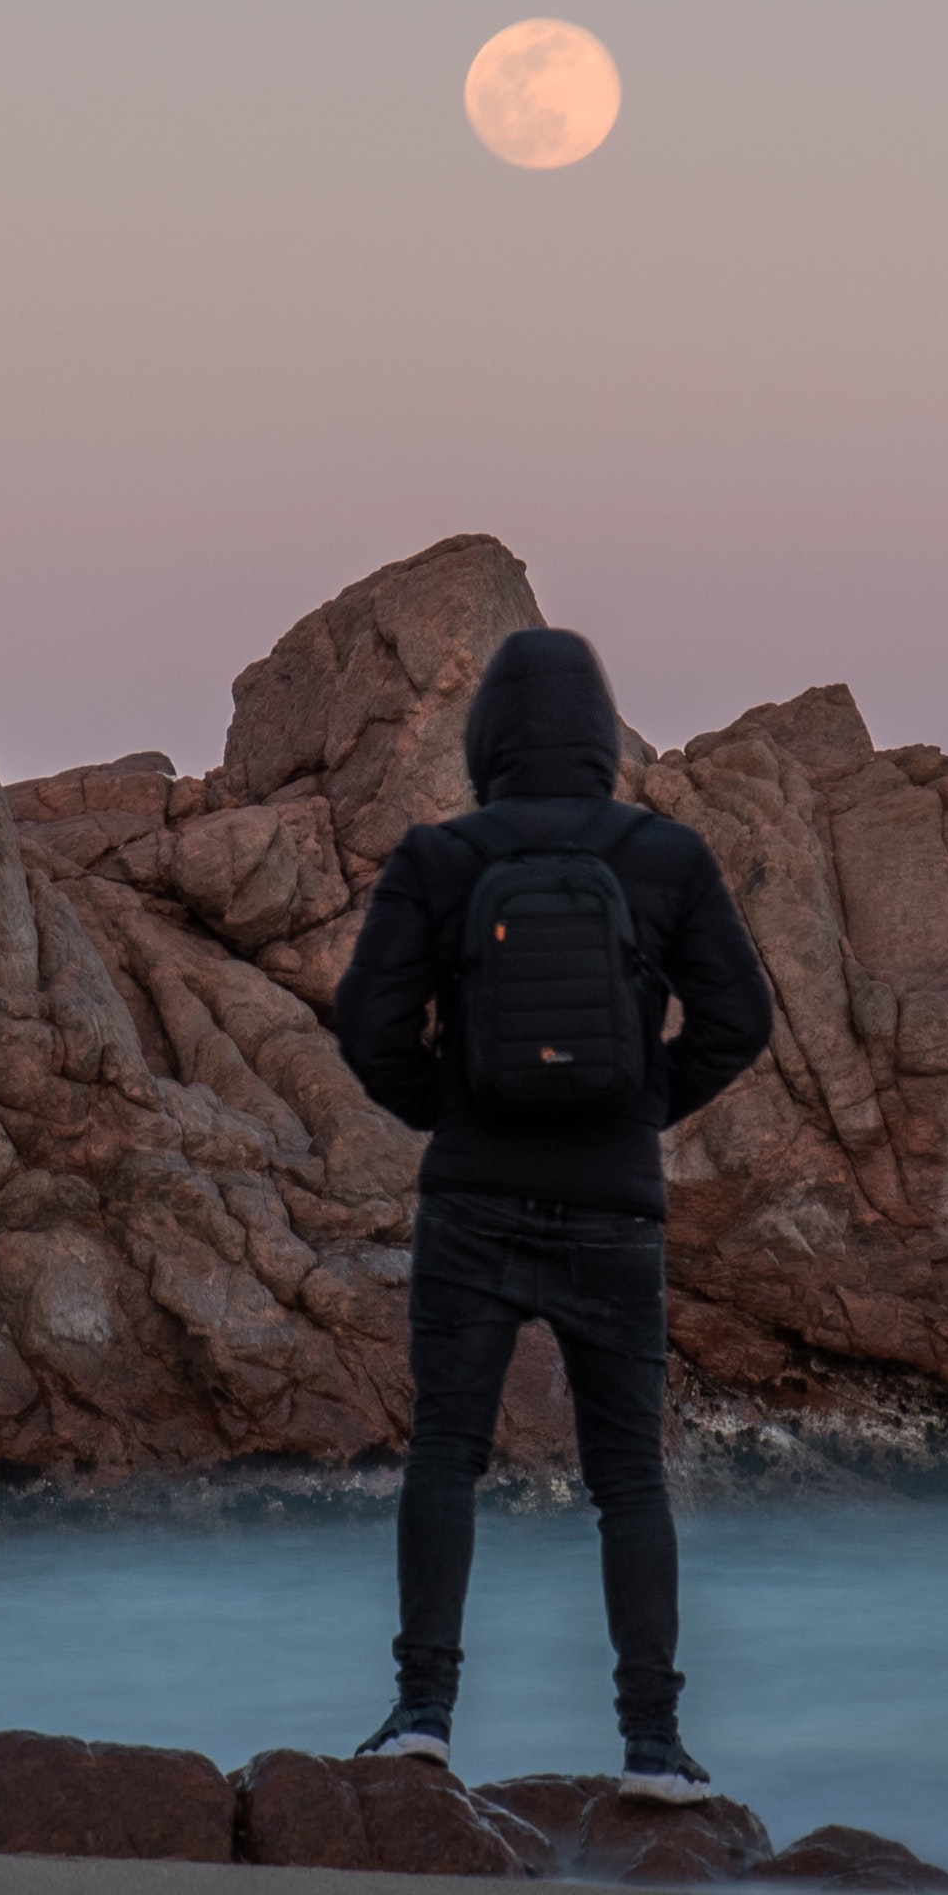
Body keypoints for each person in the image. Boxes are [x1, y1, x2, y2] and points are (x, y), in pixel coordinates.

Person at [321, 624, 779, 1801]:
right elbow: (739, 1020)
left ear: (489, 737)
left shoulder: (439, 855)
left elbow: (366, 1025)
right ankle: (652, 1748)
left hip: (471, 1199)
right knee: (628, 1478)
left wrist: (448, 1107)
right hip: (615, 1212)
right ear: (599, 732)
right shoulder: (664, 854)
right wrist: (640, 1103)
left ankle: (423, 1716)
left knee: (446, 1458)